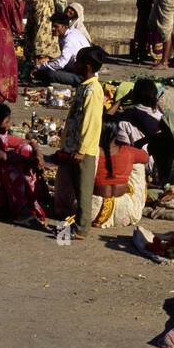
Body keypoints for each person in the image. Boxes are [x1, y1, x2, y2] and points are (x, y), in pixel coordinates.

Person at [56, 46, 107, 239]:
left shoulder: (94, 90)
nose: (74, 65)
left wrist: (83, 150)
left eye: (77, 62)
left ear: (86, 66)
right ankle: (69, 222)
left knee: (83, 189)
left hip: (83, 149)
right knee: (71, 185)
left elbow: (91, 122)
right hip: (72, 145)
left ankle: (82, 228)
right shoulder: (84, 86)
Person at [89, 120, 150, 229]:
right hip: (125, 212)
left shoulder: (91, 152)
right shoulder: (128, 151)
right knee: (138, 165)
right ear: (117, 134)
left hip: (93, 212)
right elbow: (145, 158)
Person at [33, 11, 89, 85]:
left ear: (65, 27)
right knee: (49, 67)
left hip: (83, 77)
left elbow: (61, 63)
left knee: (49, 73)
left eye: (56, 26)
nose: (53, 29)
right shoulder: (72, 32)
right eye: (52, 26)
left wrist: (40, 67)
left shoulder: (69, 40)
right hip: (76, 68)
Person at [112, 76, 163, 149]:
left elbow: (106, 118)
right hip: (158, 158)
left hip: (137, 158)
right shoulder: (162, 117)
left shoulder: (123, 119)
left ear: (133, 95)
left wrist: (121, 100)